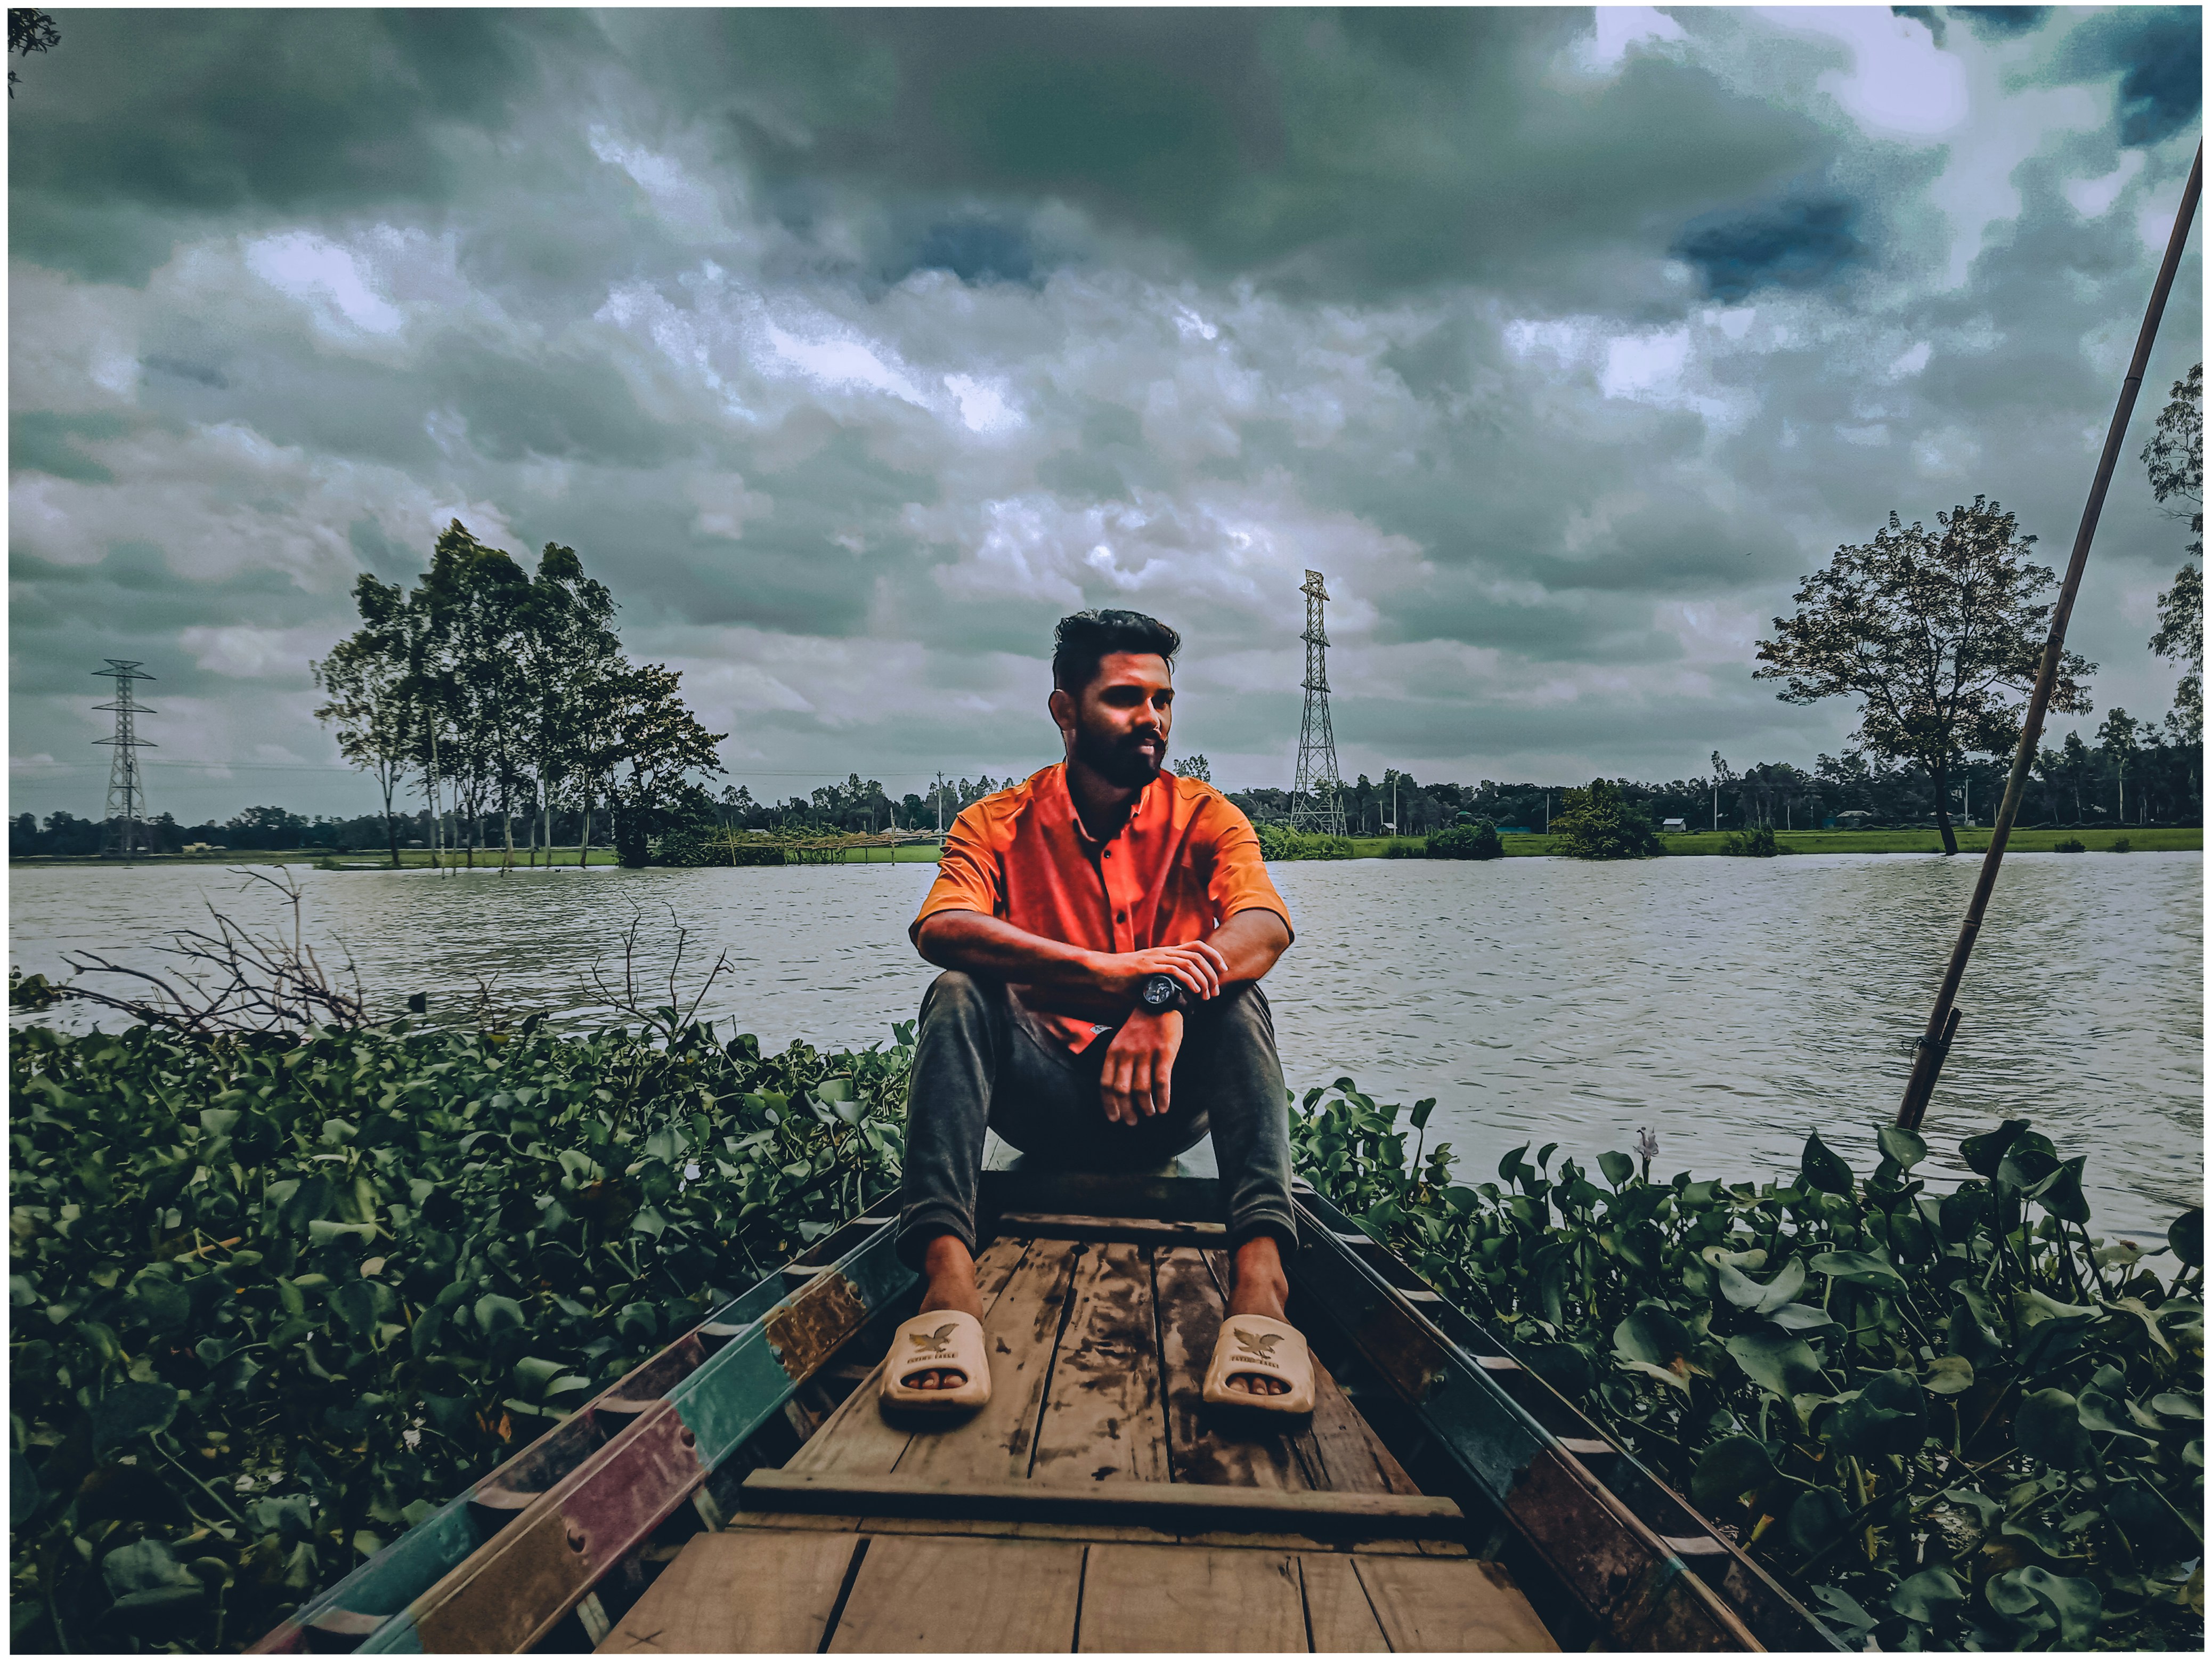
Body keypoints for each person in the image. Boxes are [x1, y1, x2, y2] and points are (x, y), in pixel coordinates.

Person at [879, 608, 1313, 1415]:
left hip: (1163, 1102)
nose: (1151, 720)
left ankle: (1261, 1282)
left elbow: (1264, 925)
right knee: (958, 991)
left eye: (1163, 700)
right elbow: (943, 927)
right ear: (1065, 711)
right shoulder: (996, 823)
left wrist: (1161, 995)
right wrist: (1106, 976)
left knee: (1240, 1000)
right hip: (1042, 1103)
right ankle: (946, 1278)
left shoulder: (1206, 816)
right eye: (1125, 698)